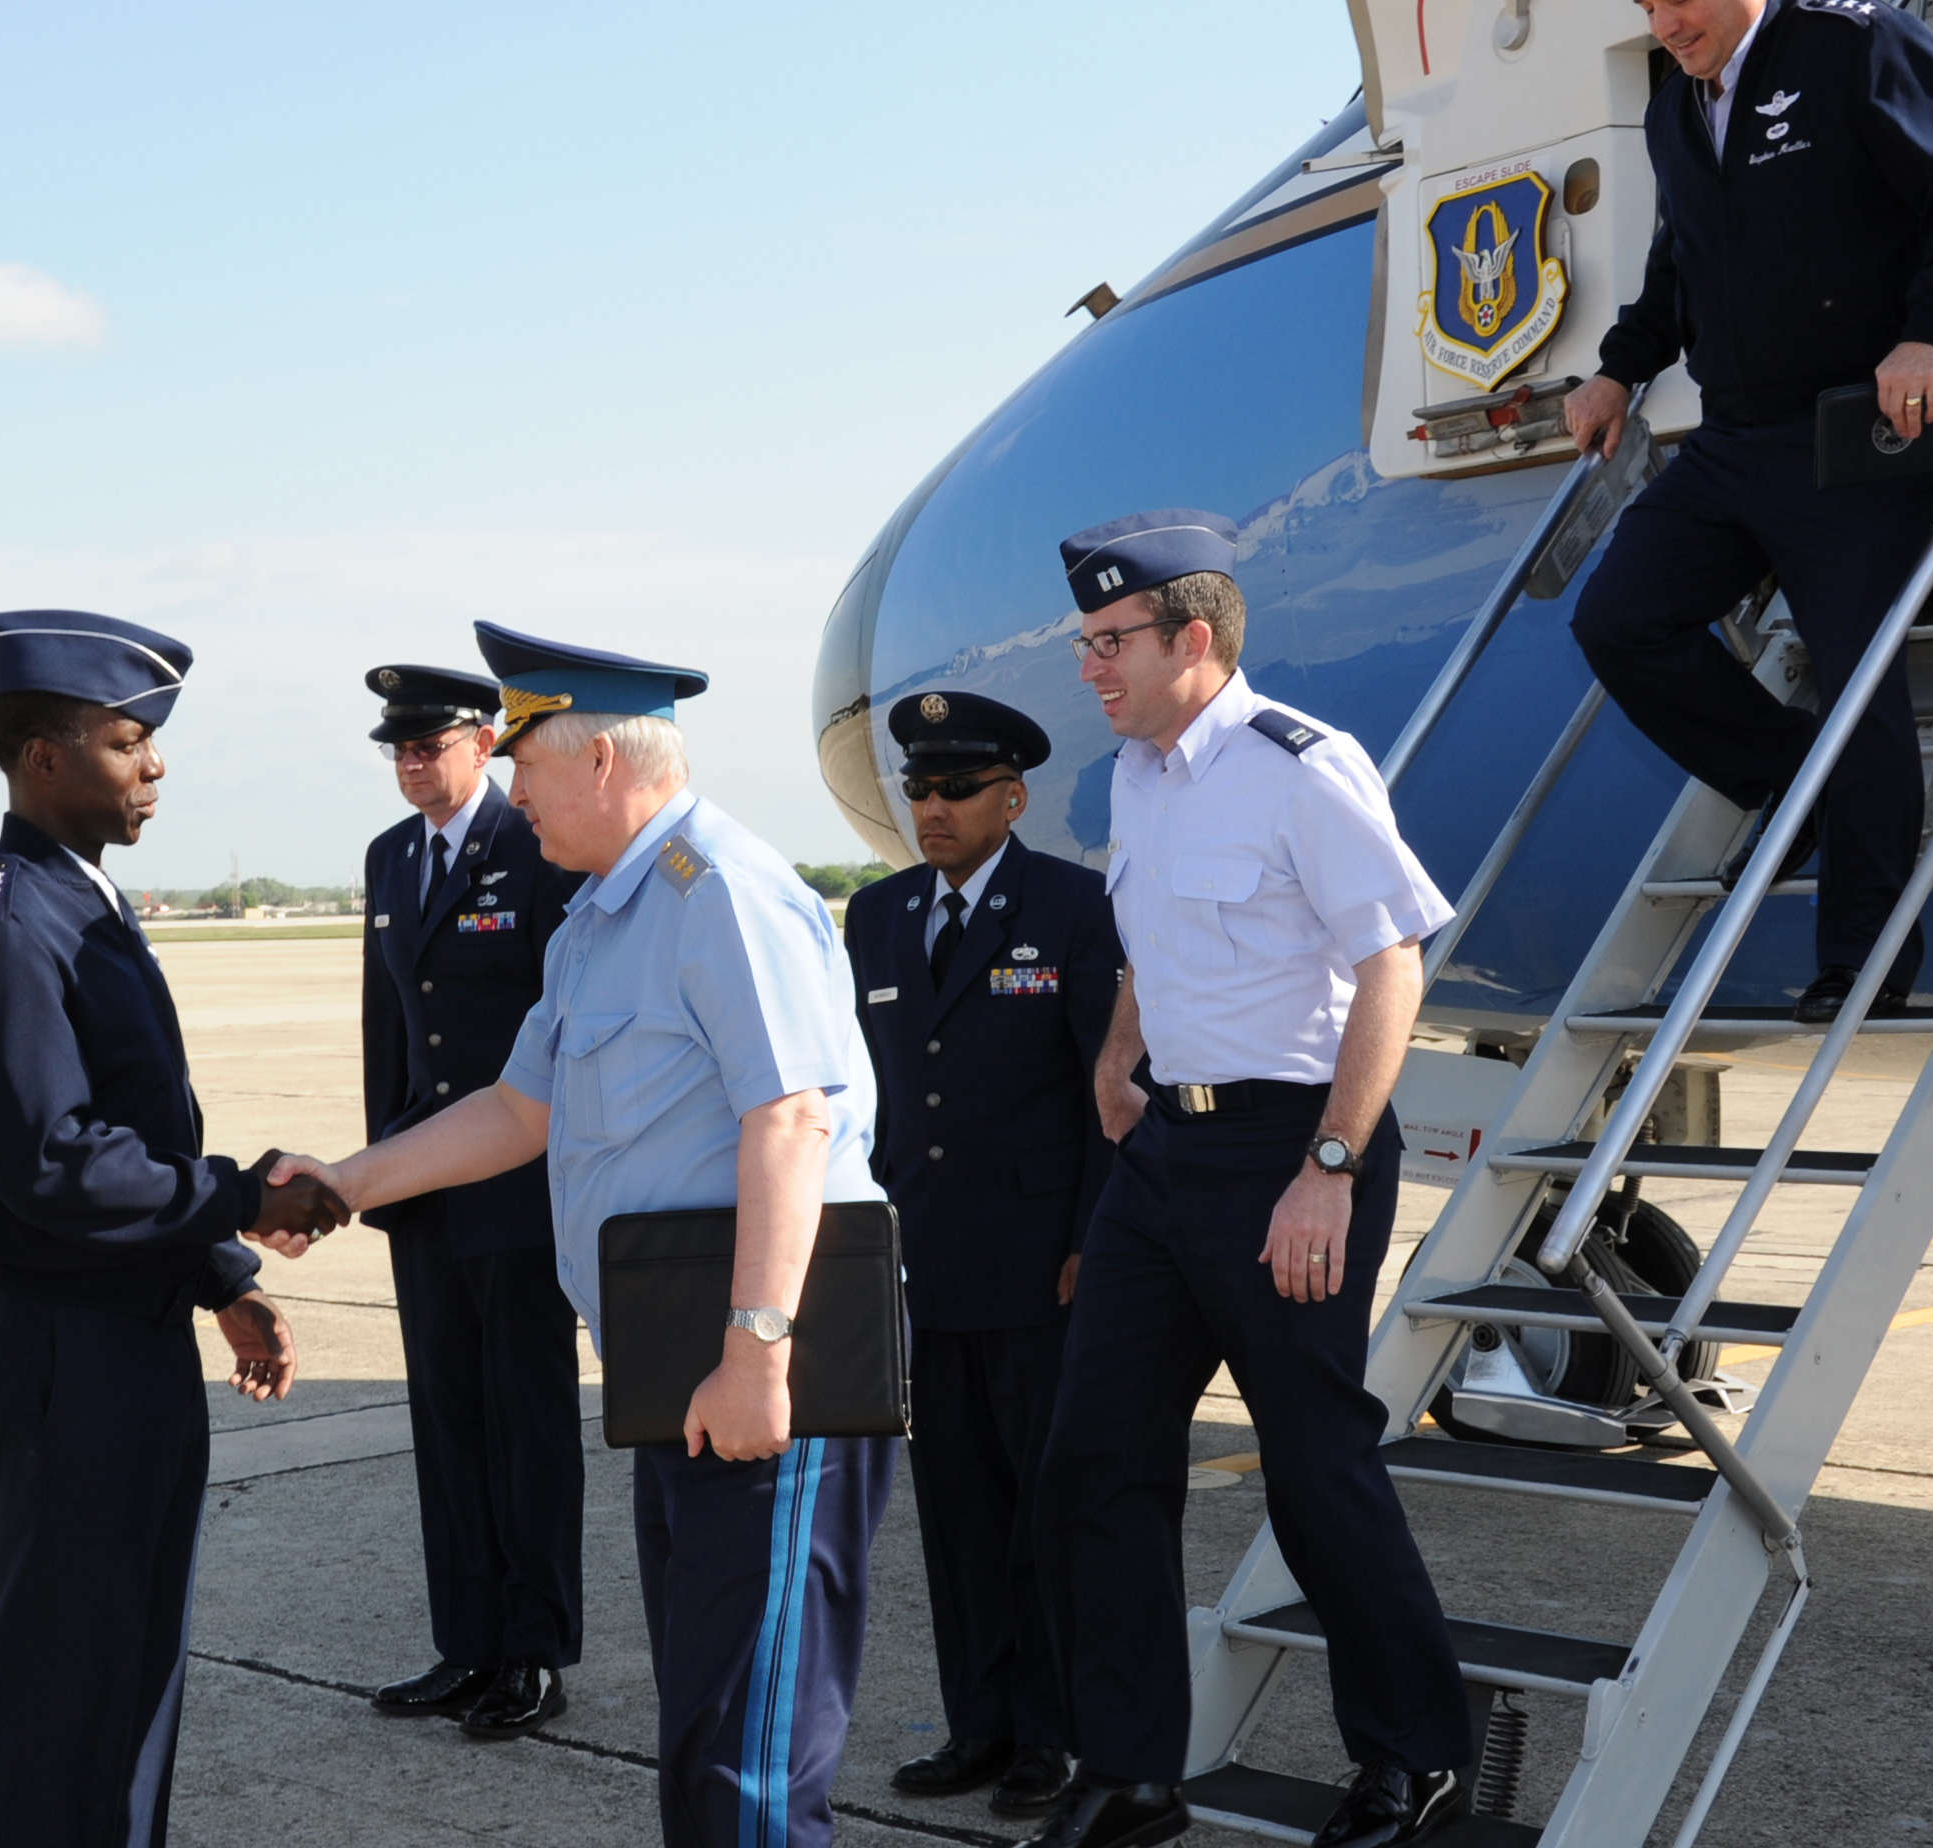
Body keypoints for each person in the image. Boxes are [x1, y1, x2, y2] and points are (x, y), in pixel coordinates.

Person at [263, 621, 893, 1848]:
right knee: (705, 1716)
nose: (514, 793)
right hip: (682, 1356)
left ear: (600, 762)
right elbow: (515, 1109)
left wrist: (759, 1348)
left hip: (768, 1355)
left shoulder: (721, 895)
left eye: (525, 764)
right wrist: (344, 1180)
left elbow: (792, 1117)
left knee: (751, 1742)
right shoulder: (605, 916)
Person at [1028, 514, 1471, 1848]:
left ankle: (1415, 1760)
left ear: (1195, 640)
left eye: (1111, 643)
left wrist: (1330, 1166)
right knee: (1091, 1459)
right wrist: (1120, 1051)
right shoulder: (1139, 776)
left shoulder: (1300, 769)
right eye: (1087, 644)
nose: (1090, 667)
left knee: (1314, 1469)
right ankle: (1133, 1771)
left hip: (1294, 1150)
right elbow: (1152, 937)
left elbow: (1394, 963)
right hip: (1166, 1153)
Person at [0, 608, 351, 1848]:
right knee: (70, 1699)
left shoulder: (77, 903)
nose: (155, 766)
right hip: (66, 1354)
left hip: (129, 1339)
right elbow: (57, 1163)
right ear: (42, 756)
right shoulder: (7, 926)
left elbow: (132, 1131)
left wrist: (221, 1279)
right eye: (126, 741)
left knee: (134, 1685)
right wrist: (244, 1202)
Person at [1563, 0, 1933, 1023]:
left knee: (1856, 683)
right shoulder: (1673, 108)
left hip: (1856, 433)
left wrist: (1932, 335)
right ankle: (1798, 783)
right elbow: (1678, 263)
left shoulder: (1859, 46)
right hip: (1734, 438)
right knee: (1617, 620)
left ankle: (1861, 962)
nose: (1664, 21)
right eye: (1645, 5)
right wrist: (1618, 371)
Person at [843, 691, 1119, 1822]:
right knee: (956, 1506)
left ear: (1013, 796)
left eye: (957, 788)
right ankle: (981, 1724)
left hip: (1038, 1261)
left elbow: (1112, 1094)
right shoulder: (878, 916)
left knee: (1043, 1507)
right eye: (917, 787)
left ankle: (1055, 1734)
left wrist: (1088, 1246)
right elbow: (866, 1098)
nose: (932, 808)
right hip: (923, 1259)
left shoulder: (1073, 908)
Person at [356, 664, 587, 1738]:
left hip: (519, 1182)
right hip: (428, 1192)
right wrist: (380, 1174)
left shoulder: (534, 846)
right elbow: (390, 1036)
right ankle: (467, 1645)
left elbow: (569, 1028)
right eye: (397, 748)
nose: (412, 762)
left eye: (430, 744)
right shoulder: (390, 858)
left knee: (526, 1422)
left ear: (484, 744)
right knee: (446, 1420)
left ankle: (533, 1654)